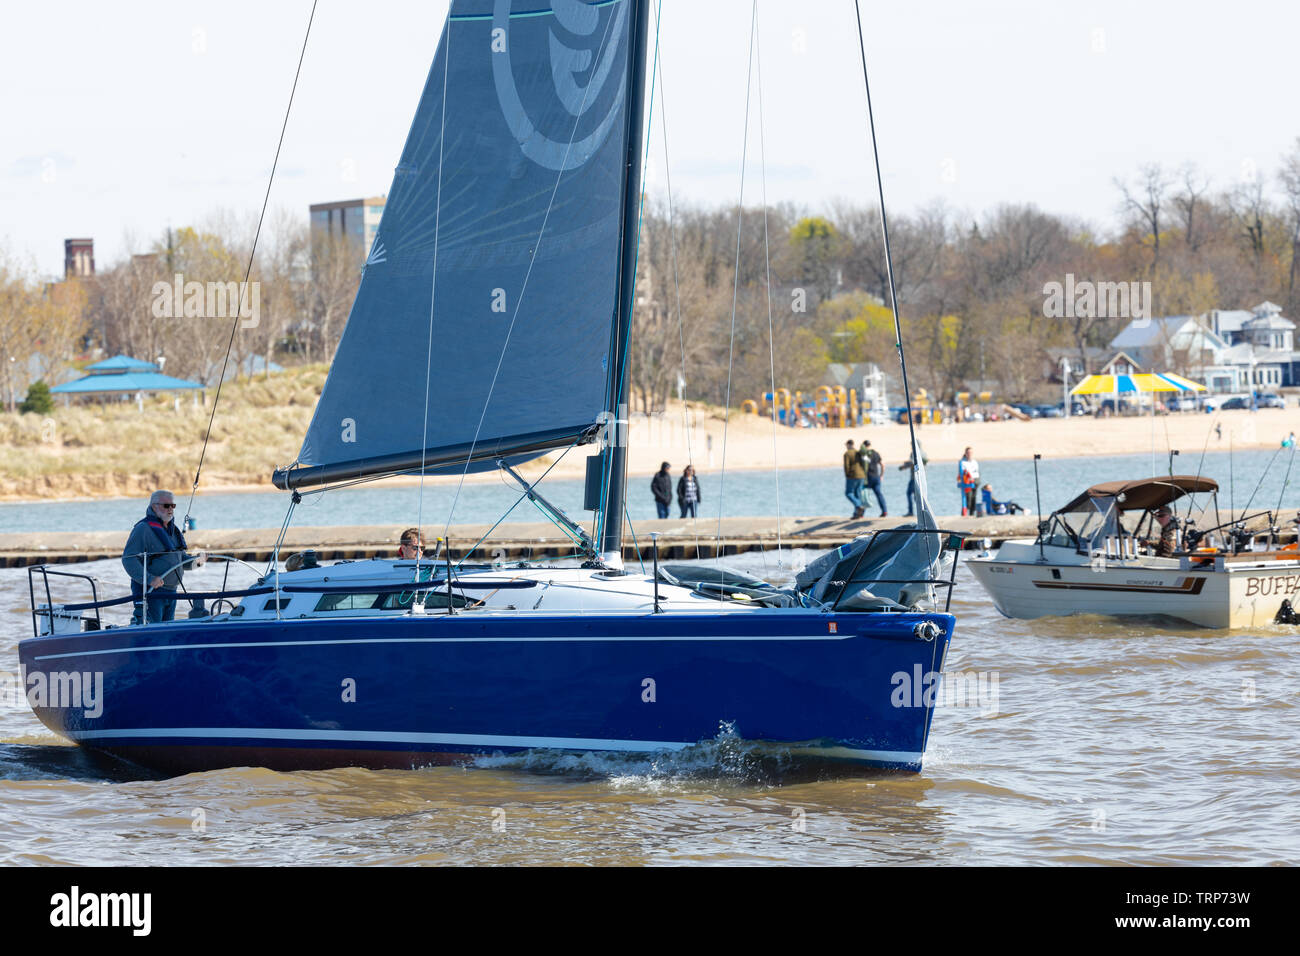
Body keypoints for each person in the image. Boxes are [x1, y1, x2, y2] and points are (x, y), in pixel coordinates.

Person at [121, 490, 201, 625]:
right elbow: (128, 559)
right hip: (152, 592)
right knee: (151, 629)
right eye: (166, 506)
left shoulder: (173, 530)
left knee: (167, 632)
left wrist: (198, 561)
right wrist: (150, 579)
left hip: (172, 592)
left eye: (173, 506)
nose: (170, 509)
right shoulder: (143, 528)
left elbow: (181, 561)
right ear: (154, 506)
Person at [898, 442, 929, 517]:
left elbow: (912, 463)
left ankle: (911, 511)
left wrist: (903, 466)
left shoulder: (914, 453)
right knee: (918, 496)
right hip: (922, 478)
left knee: (909, 493)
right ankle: (923, 511)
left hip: (914, 478)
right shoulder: (924, 453)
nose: (911, 446)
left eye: (912, 445)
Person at [860, 439, 887, 517]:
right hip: (876, 477)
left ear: (864, 446)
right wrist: (881, 475)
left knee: (863, 495)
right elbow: (882, 465)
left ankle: (861, 514)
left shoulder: (864, 454)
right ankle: (884, 511)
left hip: (867, 479)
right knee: (879, 494)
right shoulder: (875, 453)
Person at [843, 439, 866, 519]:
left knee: (848, 493)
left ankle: (859, 506)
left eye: (846, 445)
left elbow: (846, 466)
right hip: (862, 475)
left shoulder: (847, 453)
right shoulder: (858, 452)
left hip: (852, 476)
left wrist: (847, 475)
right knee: (857, 494)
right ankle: (858, 514)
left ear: (849, 445)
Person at [957, 447, 980, 515]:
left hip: (975, 480)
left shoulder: (974, 462)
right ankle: (964, 513)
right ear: (966, 453)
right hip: (967, 482)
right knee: (968, 498)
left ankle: (972, 514)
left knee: (974, 497)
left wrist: (975, 479)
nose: (970, 454)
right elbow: (963, 473)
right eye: (968, 453)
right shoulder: (962, 462)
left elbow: (976, 471)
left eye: (971, 453)